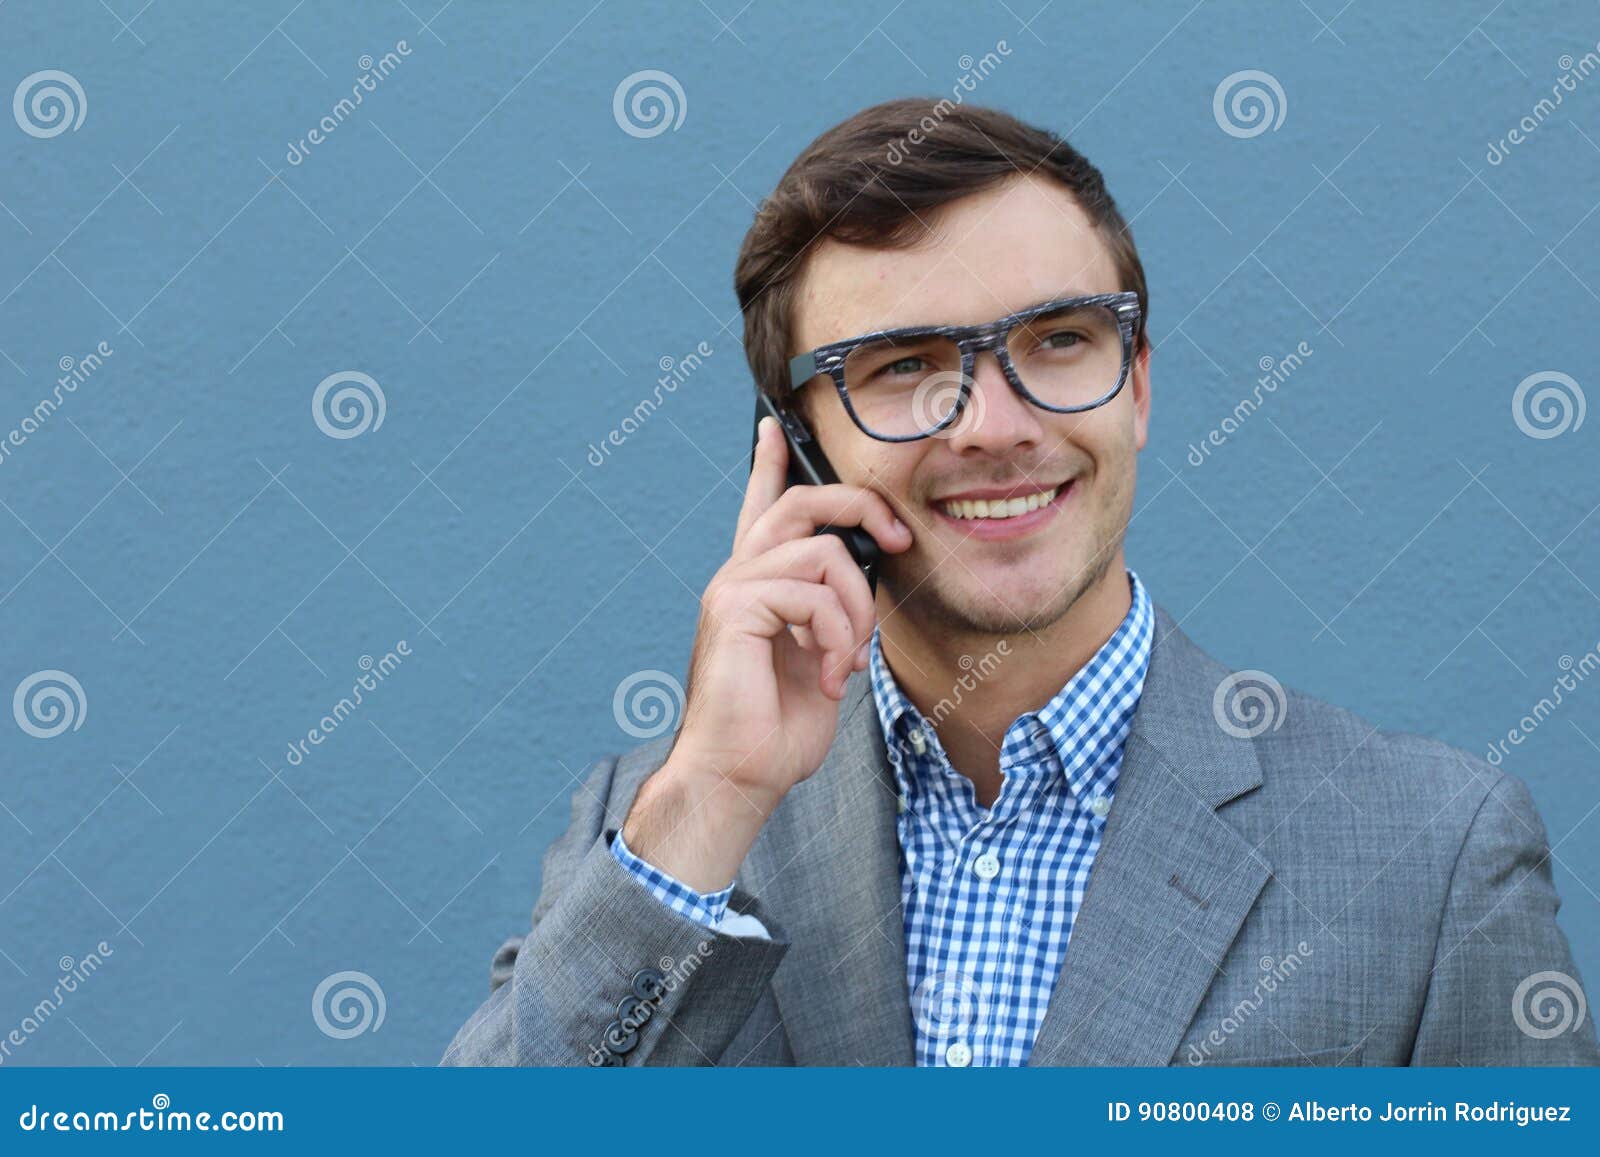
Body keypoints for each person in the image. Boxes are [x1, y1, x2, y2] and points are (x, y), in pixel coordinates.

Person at [442, 98, 1597, 1067]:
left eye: (1059, 341)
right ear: (796, 443)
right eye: (902, 367)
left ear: (1136, 386)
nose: (995, 427)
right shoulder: (652, 826)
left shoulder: (1433, 857)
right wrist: (710, 798)